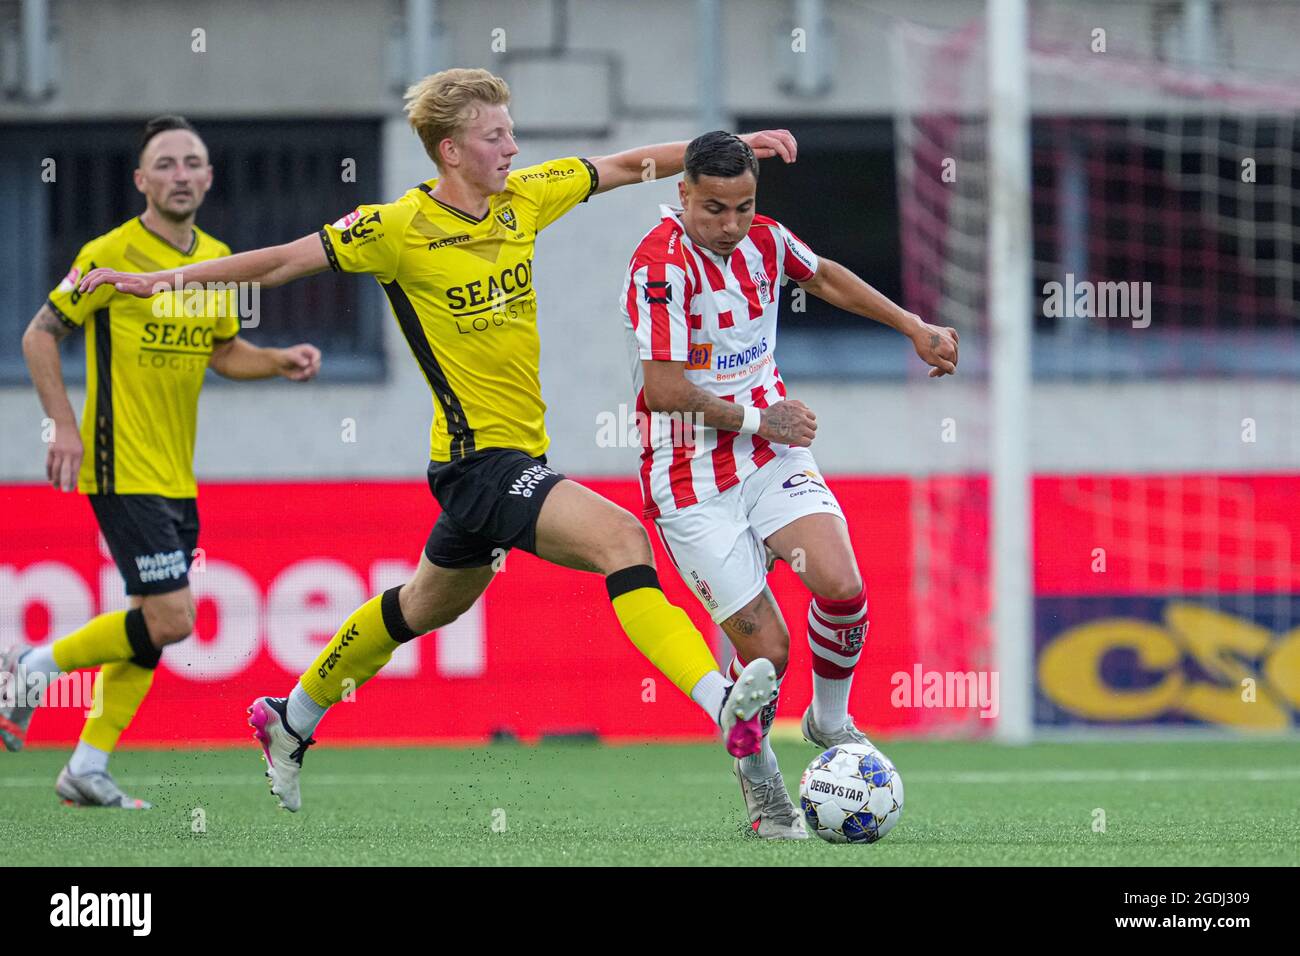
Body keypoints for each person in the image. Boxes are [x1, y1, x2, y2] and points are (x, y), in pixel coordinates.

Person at [79, 69, 800, 812]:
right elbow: (285, 259)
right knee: (621, 539)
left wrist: (725, 150)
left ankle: (289, 719)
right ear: (452, 151)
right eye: (497, 137)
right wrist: (169, 281)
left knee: (424, 606)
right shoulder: (392, 230)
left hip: (516, 458)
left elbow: (622, 166)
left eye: (511, 133)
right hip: (475, 465)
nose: (513, 148)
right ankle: (722, 707)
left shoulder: (524, 197)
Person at [620, 131, 959, 837]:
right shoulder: (658, 267)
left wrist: (911, 325)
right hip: (689, 479)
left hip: (769, 458)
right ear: (682, 195)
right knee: (765, 656)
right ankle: (763, 790)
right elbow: (663, 388)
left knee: (840, 580)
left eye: (744, 207)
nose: (731, 224)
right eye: (714, 208)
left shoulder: (765, 241)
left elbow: (824, 275)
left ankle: (830, 719)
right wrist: (758, 418)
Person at [2, 115, 321, 808]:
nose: (181, 174)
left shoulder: (215, 258)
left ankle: (86, 766)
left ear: (209, 177)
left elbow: (223, 352)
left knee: (149, 622)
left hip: (177, 473)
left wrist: (278, 361)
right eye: (166, 164)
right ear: (141, 180)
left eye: (192, 162)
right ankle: (30, 668)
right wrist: (63, 424)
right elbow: (38, 336)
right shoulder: (109, 252)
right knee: (174, 619)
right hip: (121, 464)